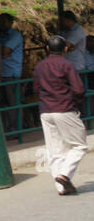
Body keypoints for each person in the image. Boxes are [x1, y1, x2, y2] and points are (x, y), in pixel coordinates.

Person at [34, 36, 88, 195]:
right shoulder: (66, 65)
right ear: (65, 49)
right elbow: (79, 89)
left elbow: (36, 89)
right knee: (79, 146)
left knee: (55, 150)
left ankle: (61, 187)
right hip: (64, 109)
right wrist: (74, 99)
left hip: (46, 111)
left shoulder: (39, 66)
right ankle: (64, 175)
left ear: (47, 49)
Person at [0, 13, 24, 135]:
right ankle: (6, 129)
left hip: (11, 73)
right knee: (2, 102)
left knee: (13, 103)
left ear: (11, 22)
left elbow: (5, 51)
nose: (1, 23)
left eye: (3, 21)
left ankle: (16, 130)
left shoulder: (15, 35)